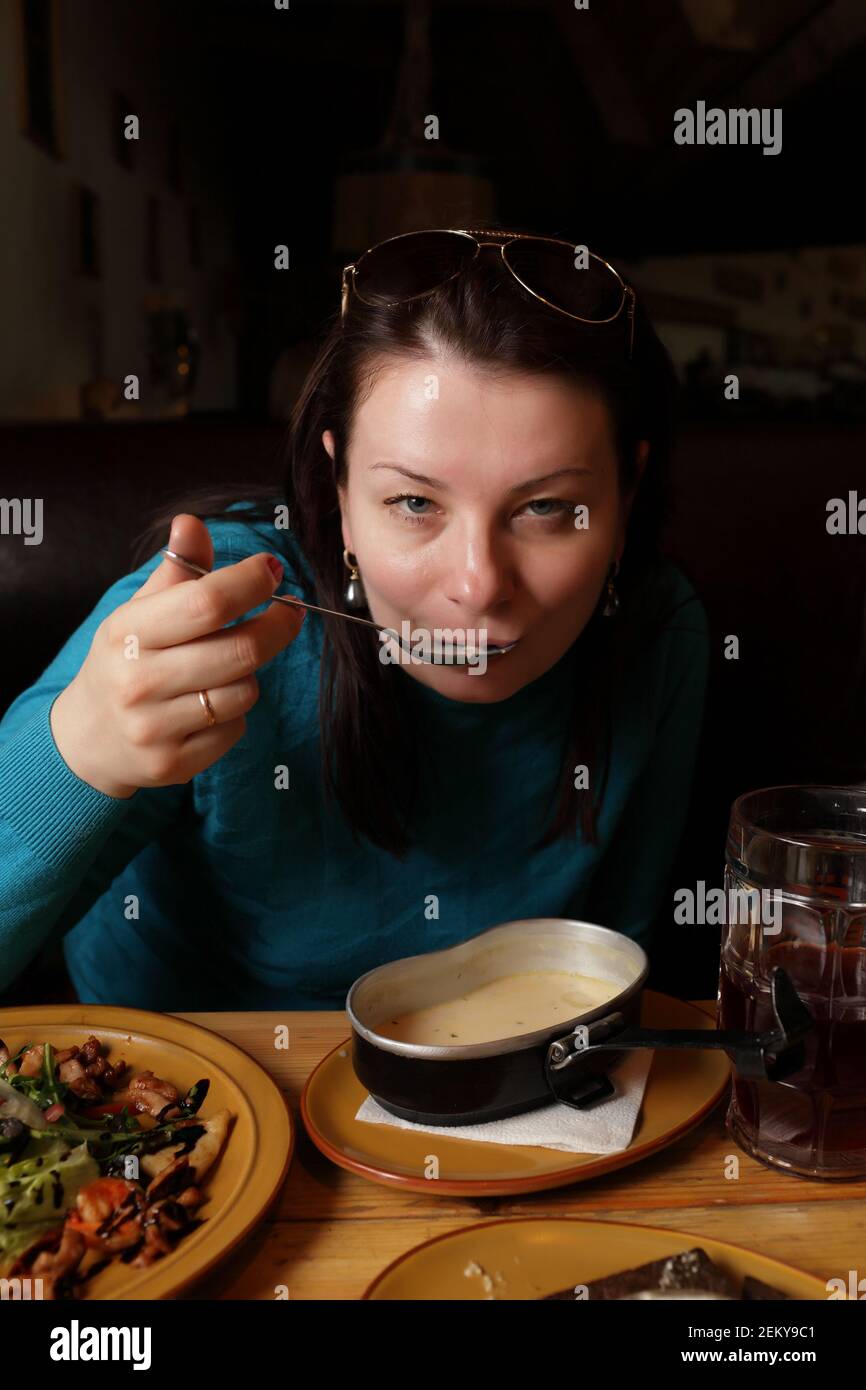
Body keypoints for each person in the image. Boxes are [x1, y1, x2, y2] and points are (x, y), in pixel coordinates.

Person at [0, 226, 709, 1010]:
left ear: (627, 493)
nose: (477, 585)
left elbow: (616, 975)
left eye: (546, 508)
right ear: (338, 488)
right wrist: (80, 753)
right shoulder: (214, 606)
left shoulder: (661, 637)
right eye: (413, 503)